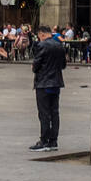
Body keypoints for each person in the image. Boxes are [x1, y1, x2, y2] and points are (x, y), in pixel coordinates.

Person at [30, 24, 66, 152]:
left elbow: (36, 65)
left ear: (42, 34)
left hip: (44, 83)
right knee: (54, 112)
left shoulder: (42, 45)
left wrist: (34, 67)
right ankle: (53, 141)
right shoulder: (59, 46)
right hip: (56, 82)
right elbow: (63, 65)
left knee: (44, 112)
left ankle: (44, 140)